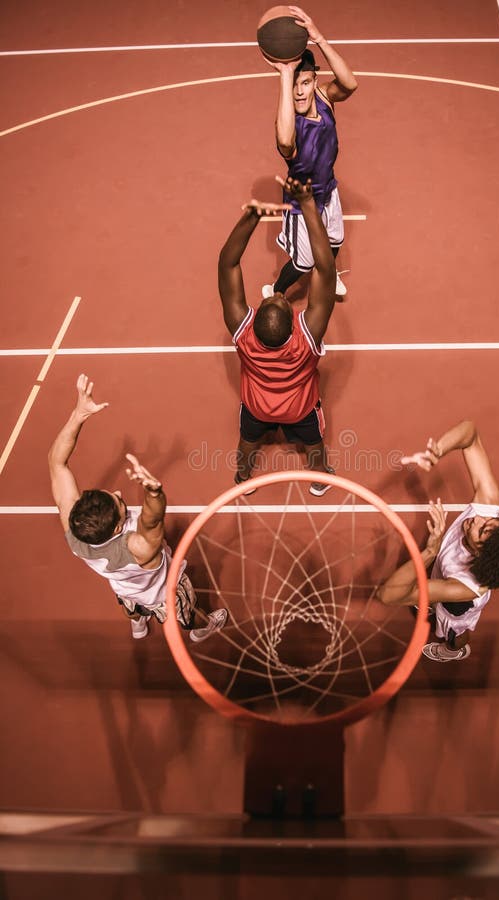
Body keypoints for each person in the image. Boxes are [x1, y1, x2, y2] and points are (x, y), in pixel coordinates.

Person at [48, 374, 228, 641]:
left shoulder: (76, 535)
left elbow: (57, 462)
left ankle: (139, 623)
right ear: (118, 528)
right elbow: (152, 521)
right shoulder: (139, 549)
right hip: (164, 593)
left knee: (130, 605)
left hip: (125, 589)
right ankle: (203, 628)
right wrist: (154, 492)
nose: (119, 493)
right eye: (119, 502)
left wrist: (78, 415)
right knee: (190, 615)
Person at [378, 420, 499, 662]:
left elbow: (387, 595)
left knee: (453, 630)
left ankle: (455, 650)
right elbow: (470, 434)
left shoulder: (464, 588)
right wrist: (438, 450)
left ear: (480, 554)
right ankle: (432, 601)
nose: (477, 519)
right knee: (430, 587)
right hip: (445, 572)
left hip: (456, 607)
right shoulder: (490, 507)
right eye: (490, 522)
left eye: (481, 531)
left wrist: (430, 552)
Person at [218, 174, 336, 496]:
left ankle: (243, 479)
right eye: (281, 299)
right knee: (315, 445)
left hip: (257, 408)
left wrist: (251, 218)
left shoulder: (242, 331)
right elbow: (325, 269)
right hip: (300, 409)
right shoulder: (307, 336)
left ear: (254, 317)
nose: (279, 295)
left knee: (247, 441)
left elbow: (228, 265)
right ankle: (319, 479)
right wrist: (308, 204)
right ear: (293, 322)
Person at [262, 5, 357, 301]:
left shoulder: (325, 98)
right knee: (303, 262)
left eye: (305, 83)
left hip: (328, 189)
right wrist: (285, 75)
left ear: (315, 81)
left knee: (335, 239)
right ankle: (275, 290)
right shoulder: (288, 123)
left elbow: (350, 84)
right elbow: (285, 141)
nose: (300, 92)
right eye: (294, 86)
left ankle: (329, 274)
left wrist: (319, 39)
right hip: (300, 204)